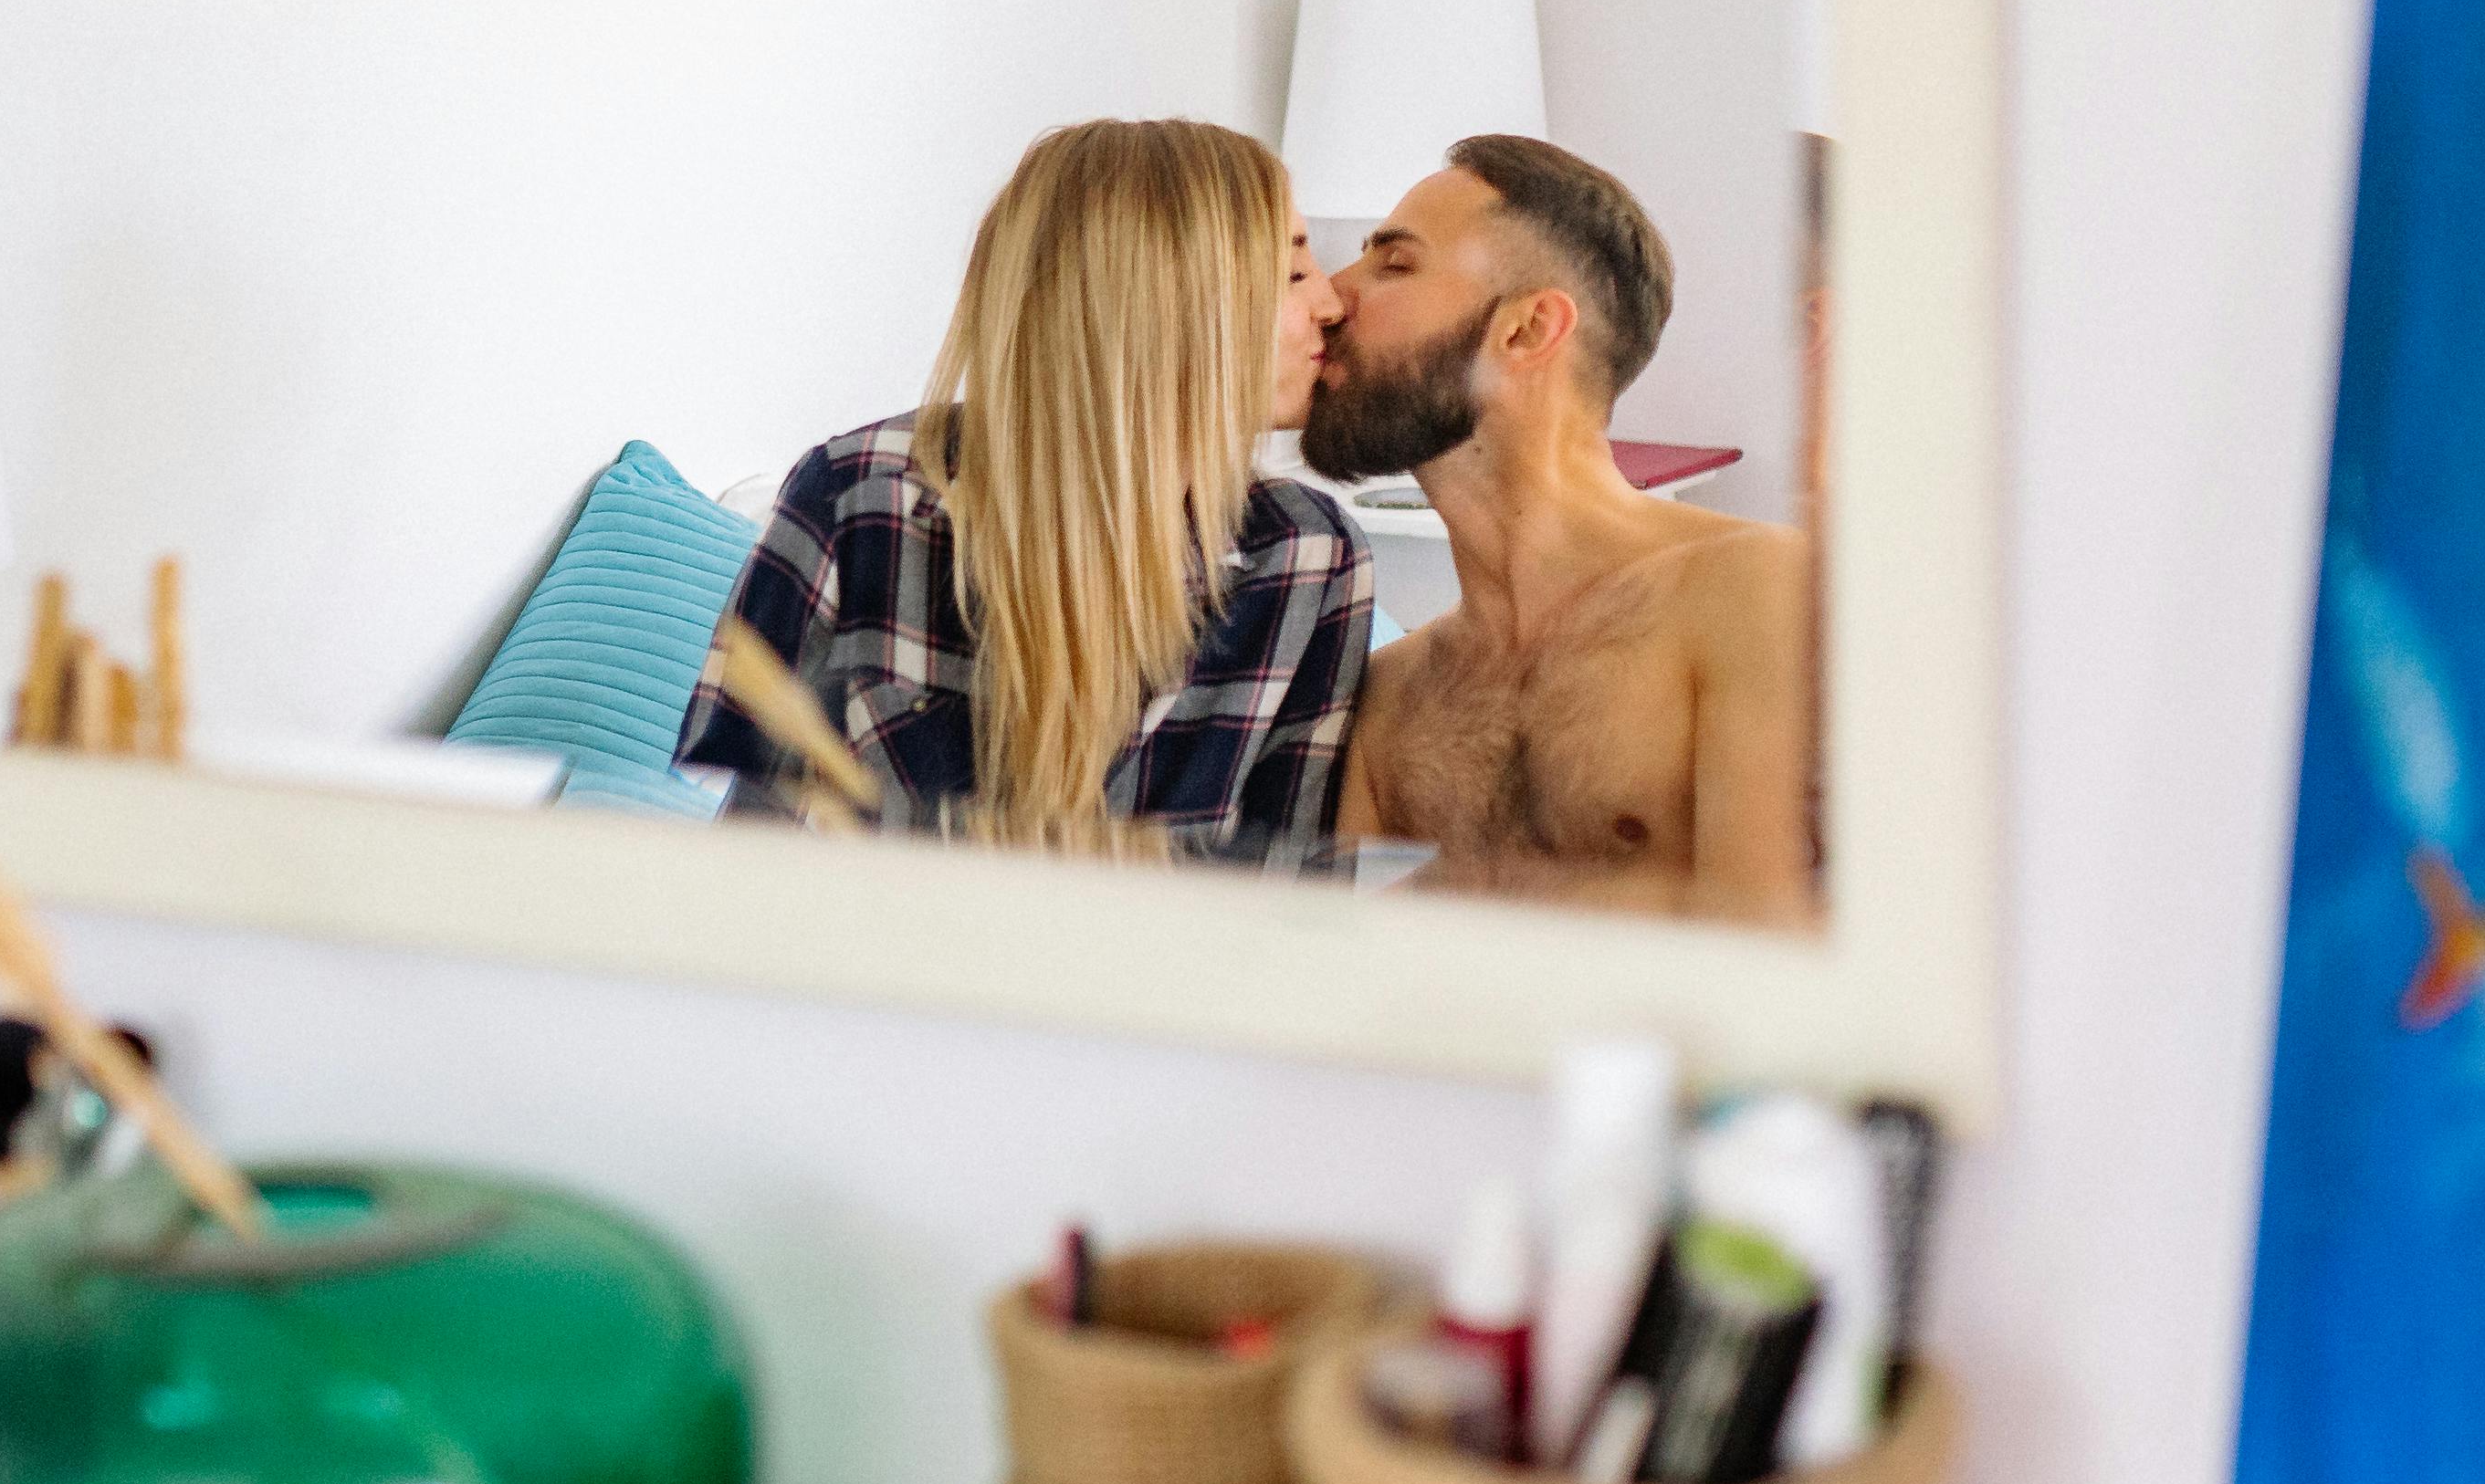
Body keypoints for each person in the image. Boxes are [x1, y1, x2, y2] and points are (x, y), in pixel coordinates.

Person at [678, 118, 1373, 852]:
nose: (1331, 306)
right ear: (1169, 303)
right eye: (1293, 275)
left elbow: (1283, 904)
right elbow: (751, 860)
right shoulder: (857, 495)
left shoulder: (1308, 555)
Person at [1308, 133, 1815, 921]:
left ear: (1527, 330)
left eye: (1395, 264)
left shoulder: (1756, 593)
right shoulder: (1392, 699)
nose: (1333, 298)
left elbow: (1772, 972)